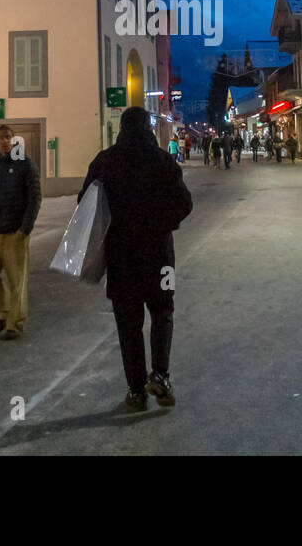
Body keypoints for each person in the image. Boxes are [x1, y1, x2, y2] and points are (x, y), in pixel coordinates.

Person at [81, 107, 193, 412]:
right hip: (159, 254)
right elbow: (184, 203)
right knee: (162, 310)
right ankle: (160, 374)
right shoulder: (161, 160)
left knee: (128, 323)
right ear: (148, 128)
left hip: (120, 256)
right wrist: (162, 222)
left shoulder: (105, 161)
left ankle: (135, 391)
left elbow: (85, 204)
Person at [0, 125, 42, 339]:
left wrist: (25, 229)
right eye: (0, 138)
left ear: (13, 140)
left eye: (8, 137)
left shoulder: (25, 164)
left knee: (16, 281)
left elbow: (35, 197)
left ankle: (15, 324)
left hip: (15, 232)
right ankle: (3, 311)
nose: (4, 141)